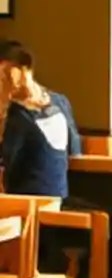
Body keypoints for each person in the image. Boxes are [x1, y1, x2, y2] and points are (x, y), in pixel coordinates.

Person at [0, 43, 81, 200]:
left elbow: (74, 149)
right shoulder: (16, 114)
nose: (5, 83)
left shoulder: (58, 103)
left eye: (6, 75)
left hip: (47, 201)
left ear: (25, 68)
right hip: (35, 201)